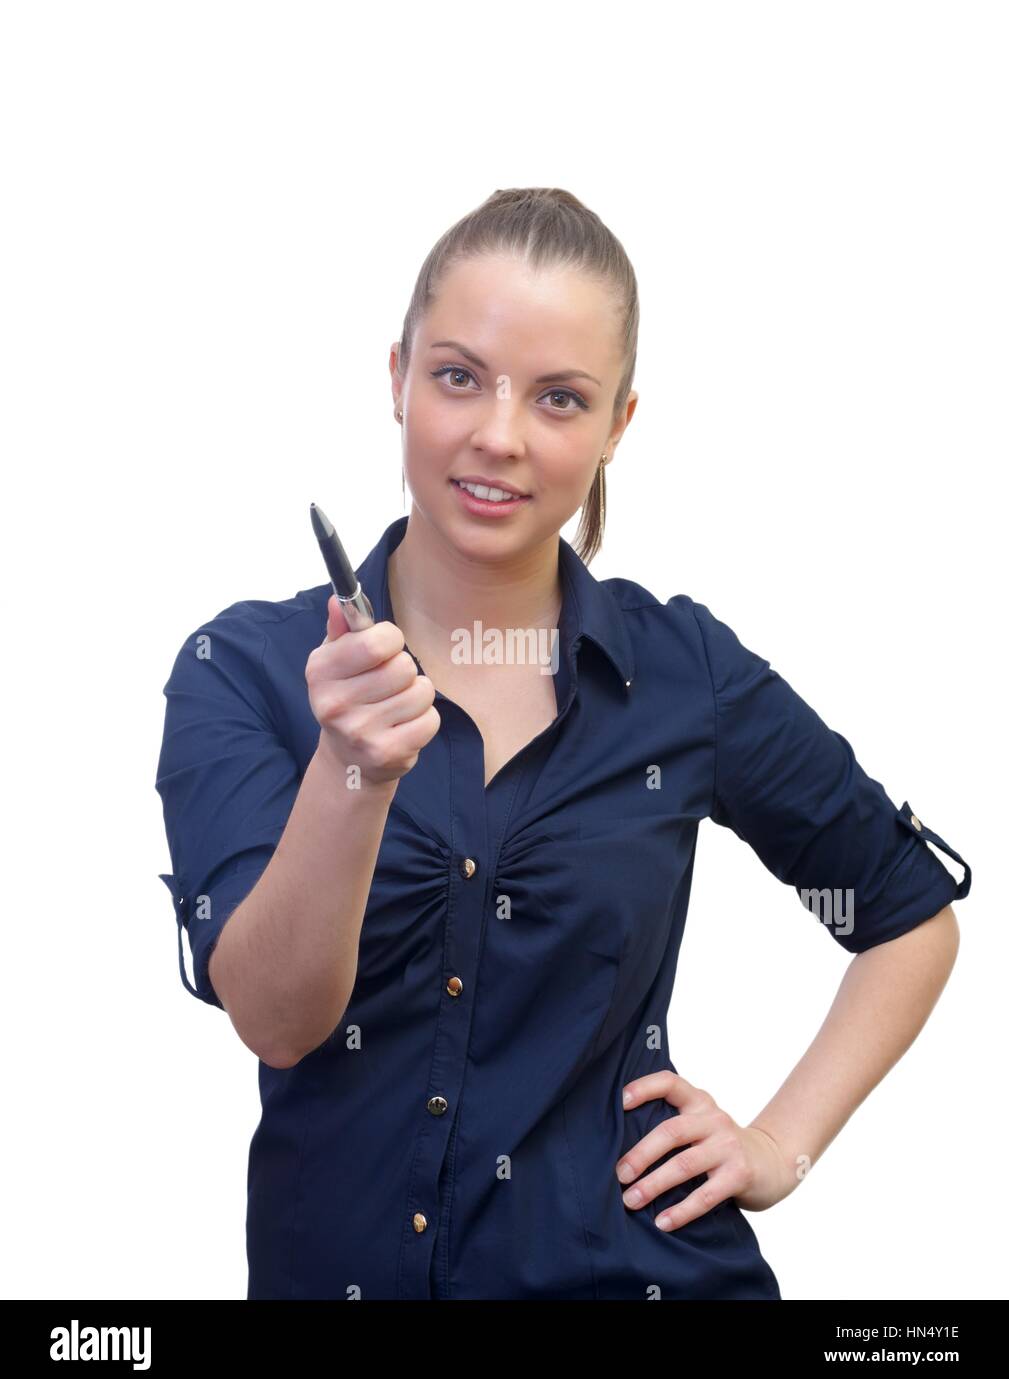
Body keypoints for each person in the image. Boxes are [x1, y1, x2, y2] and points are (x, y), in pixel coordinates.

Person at [155, 187, 972, 1300]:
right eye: (457, 377)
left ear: (617, 425)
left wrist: (780, 1145)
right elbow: (279, 1019)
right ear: (397, 376)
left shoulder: (684, 673)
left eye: (558, 397)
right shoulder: (245, 671)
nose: (499, 433)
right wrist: (350, 774)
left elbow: (903, 913)